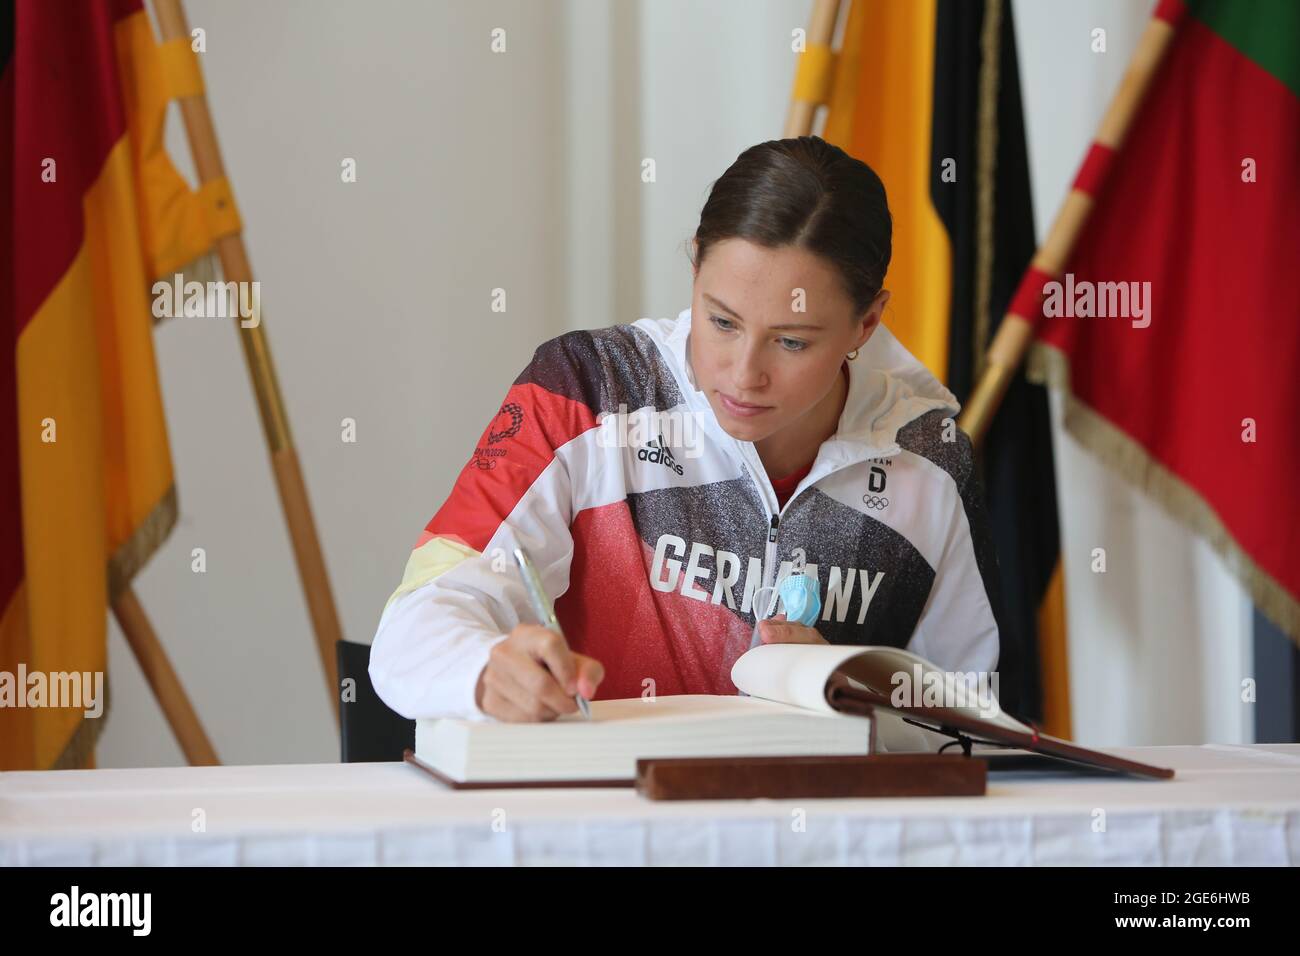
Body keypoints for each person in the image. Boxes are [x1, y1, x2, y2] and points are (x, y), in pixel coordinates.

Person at [370, 135, 1003, 724]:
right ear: (695, 266)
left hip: (816, 838)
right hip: (605, 828)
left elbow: (976, 721)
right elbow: (414, 623)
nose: (742, 373)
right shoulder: (586, 389)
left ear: (866, 324)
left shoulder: (930, 457)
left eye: (790, 341)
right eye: (722, 321)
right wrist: (482, 670)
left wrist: (855, 697)